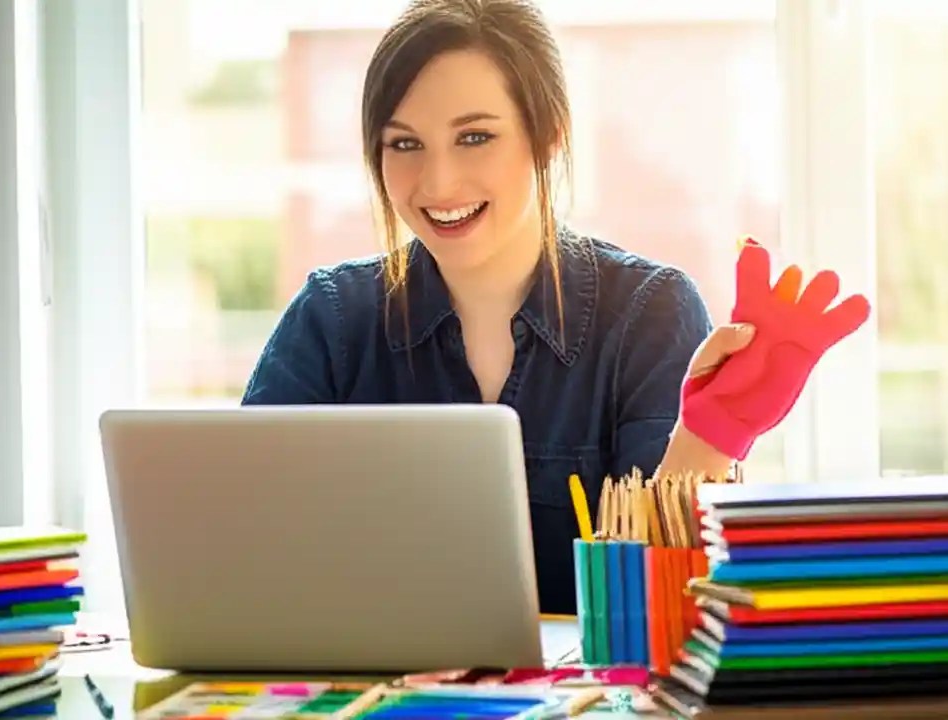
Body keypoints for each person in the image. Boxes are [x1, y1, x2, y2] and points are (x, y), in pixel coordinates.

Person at [241, 0, 869, 614]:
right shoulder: (331, 320)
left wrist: (708, 440)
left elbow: (662, 614)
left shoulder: (650, 314)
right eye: (404, 145)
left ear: (549, 137)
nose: (437, 185)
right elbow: (241, 546)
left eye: (475, 137)